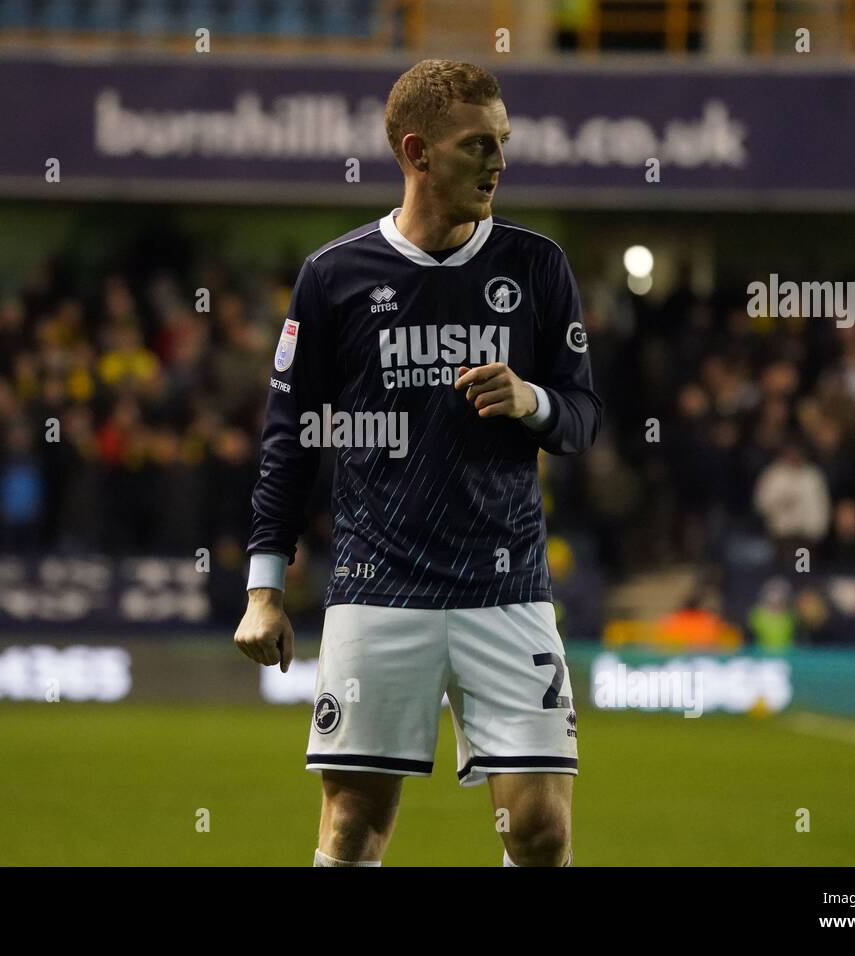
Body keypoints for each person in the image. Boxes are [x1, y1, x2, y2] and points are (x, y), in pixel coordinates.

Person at [233, 59, 603, 867]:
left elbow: (581, 417)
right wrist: (265, 589)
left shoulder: (536, 267)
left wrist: (531, 399)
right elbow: (290, 435)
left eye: (503, 142)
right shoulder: (335, 277)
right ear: (417, 151)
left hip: (506, 590)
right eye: (479, 145)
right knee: (352, 826)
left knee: (541, 831)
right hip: (378, 588)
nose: (499, 161)